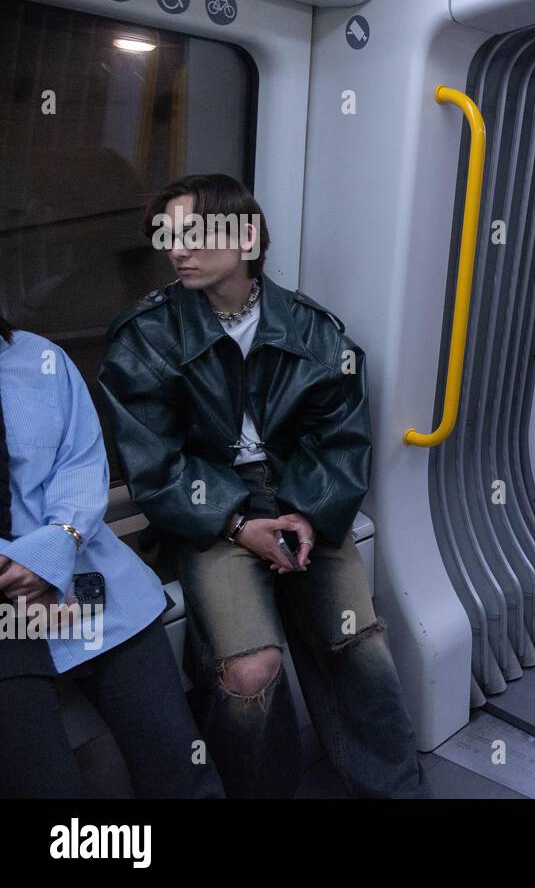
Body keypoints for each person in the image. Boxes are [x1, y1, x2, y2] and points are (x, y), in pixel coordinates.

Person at [98, 174, 421, 798]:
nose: (176, 249)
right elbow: (153, 465)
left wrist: (305, 513)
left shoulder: (310, 328)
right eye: (167, 236)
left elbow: (340, 437)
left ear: (245, 236)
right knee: (251, 672)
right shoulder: (146, 337)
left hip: (302, 494)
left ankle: (399, 793)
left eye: (192, 232)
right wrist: (237, 522)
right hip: (209, 509)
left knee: (358, 644)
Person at [1, 313, 224, 798]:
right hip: (3, 611)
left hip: (84, 573)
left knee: (181, 766)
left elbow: (81, 463)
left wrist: (49, 553)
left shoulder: (39, 360)